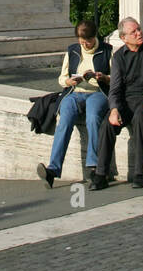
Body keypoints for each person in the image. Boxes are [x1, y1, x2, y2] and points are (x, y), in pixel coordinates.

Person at [89, 18, 143, 190]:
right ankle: (100, 174)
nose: (139, 33)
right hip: (128, 100)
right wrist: (114, 109)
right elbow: (115, 88)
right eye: (134, 32)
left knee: (141, 118)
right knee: (107, 125)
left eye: (139, 29)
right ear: (124, 38)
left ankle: (140, 174)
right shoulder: (118, 57)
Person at [37, 21, 111, 187]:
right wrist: (69, 81)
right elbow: (61, 78)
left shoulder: (107, 50)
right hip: (74, 93)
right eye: (81, 41)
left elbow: (116, 78)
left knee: (93, 119)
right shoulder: (72, 51)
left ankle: (94, 167)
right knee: (64, 122)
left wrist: (104, 78)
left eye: (88, 41)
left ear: (95, 37)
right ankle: (53, 170)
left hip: (97, 93)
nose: (85, 44)